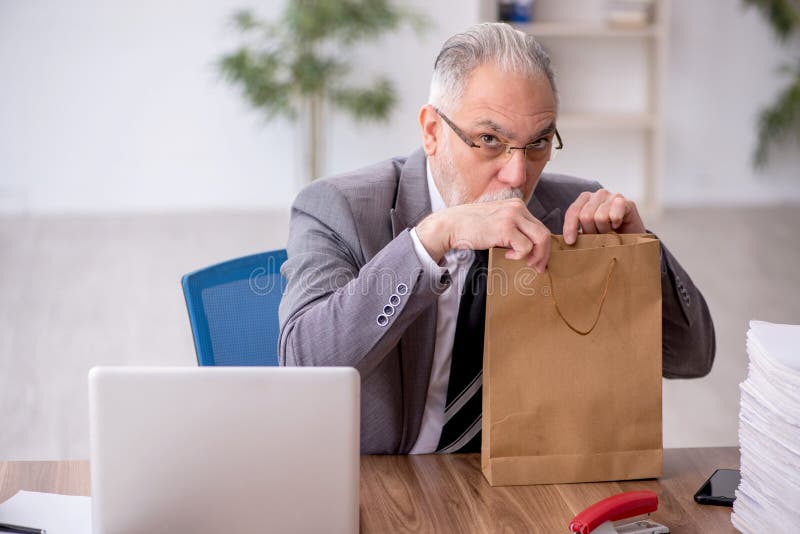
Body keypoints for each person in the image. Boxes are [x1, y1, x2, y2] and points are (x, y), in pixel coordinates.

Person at [278, 23, 715, 454]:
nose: (518, 176)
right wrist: (430, 240)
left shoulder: (567, 214)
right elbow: (304, 366)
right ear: (432, 131)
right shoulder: (339, 208)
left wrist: (643, 256)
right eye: (489, 140)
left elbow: (692, 359)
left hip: (520, 489)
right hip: (386, 487)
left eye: (539, 143)